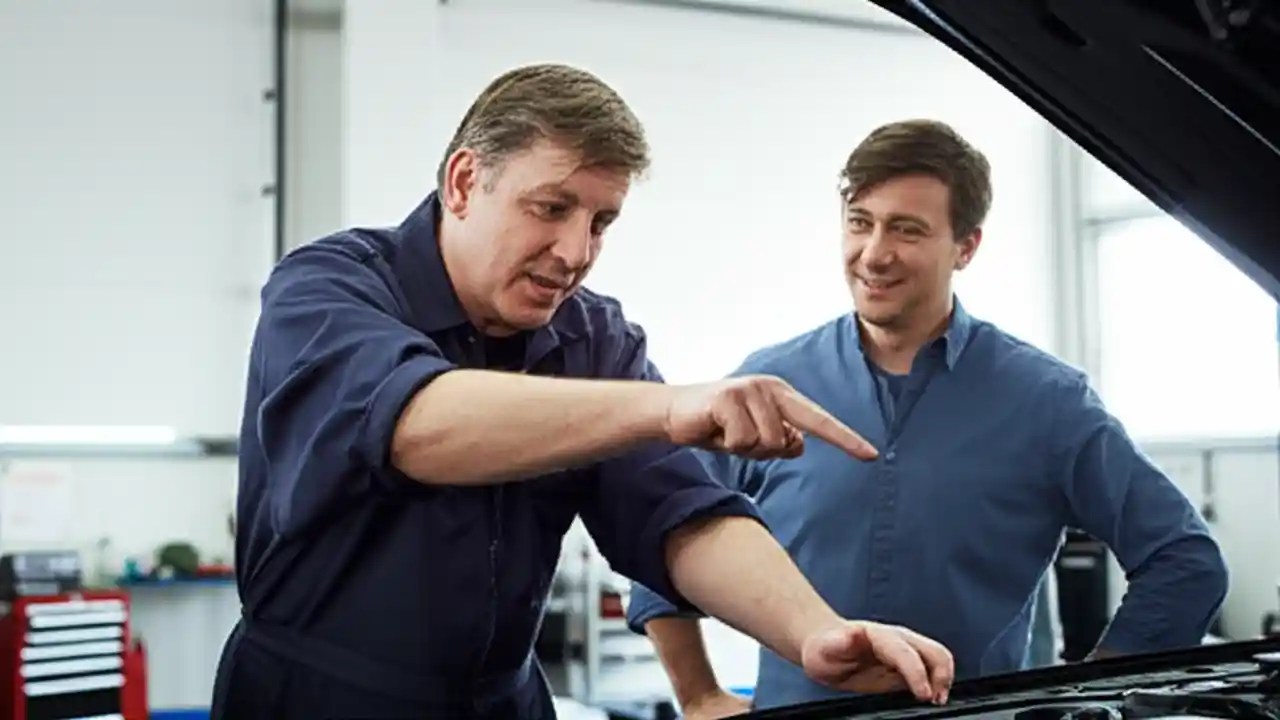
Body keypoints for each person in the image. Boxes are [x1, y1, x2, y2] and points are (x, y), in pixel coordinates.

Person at [210, 65, 956, 719]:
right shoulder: (327, 289)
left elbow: (679, 512)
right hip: (317, 700)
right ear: (466, 182)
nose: (576, 253)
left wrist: (812, 632)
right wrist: (667, 409)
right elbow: (417, 425)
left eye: (602, 221)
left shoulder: (591, 336)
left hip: (505, 702)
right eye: (552, 208)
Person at [626, 119, 1229, 717]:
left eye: (907, 230)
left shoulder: (1047, 400)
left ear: (966, 247)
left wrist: (1099, 697)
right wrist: (700, 695)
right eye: (860, 223)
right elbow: (662, 532)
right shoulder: (771, 384)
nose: (874, 254)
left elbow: (1184, 560)